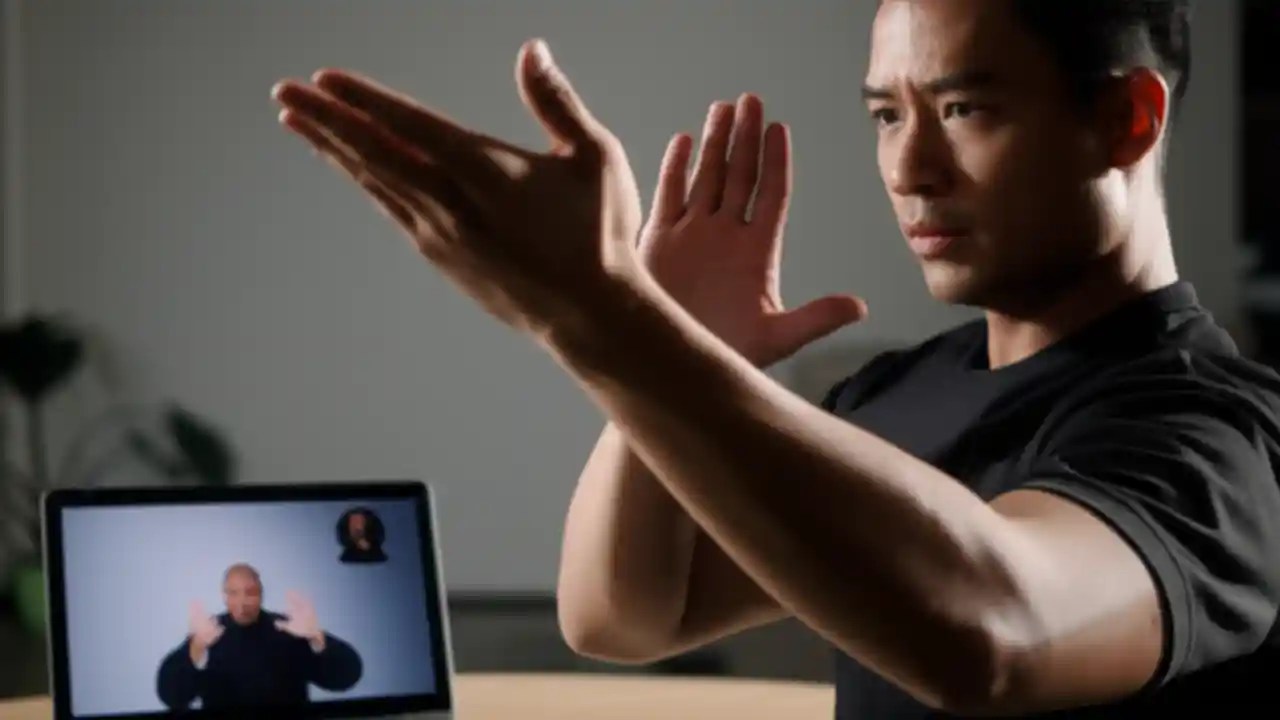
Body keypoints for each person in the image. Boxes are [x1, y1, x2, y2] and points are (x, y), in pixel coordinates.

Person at [269, 0, 1280, 714]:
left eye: (966, 109)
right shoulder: (896, 392)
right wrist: (674, 331)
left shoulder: (1214, 435)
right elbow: (622, 614)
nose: (908, 167)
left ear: (1124, 119)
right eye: (886, 113)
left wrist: (605, 317)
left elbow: (994, 634)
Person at [156, 563, 362, 710]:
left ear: (261, 594)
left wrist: (317, 635)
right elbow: (172, 697)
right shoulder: (208, 632)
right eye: (233, 593)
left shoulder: (288, 630)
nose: (242, 601)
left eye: (250, 592)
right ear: (224, 596)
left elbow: (345, 677)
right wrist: (196, 647)